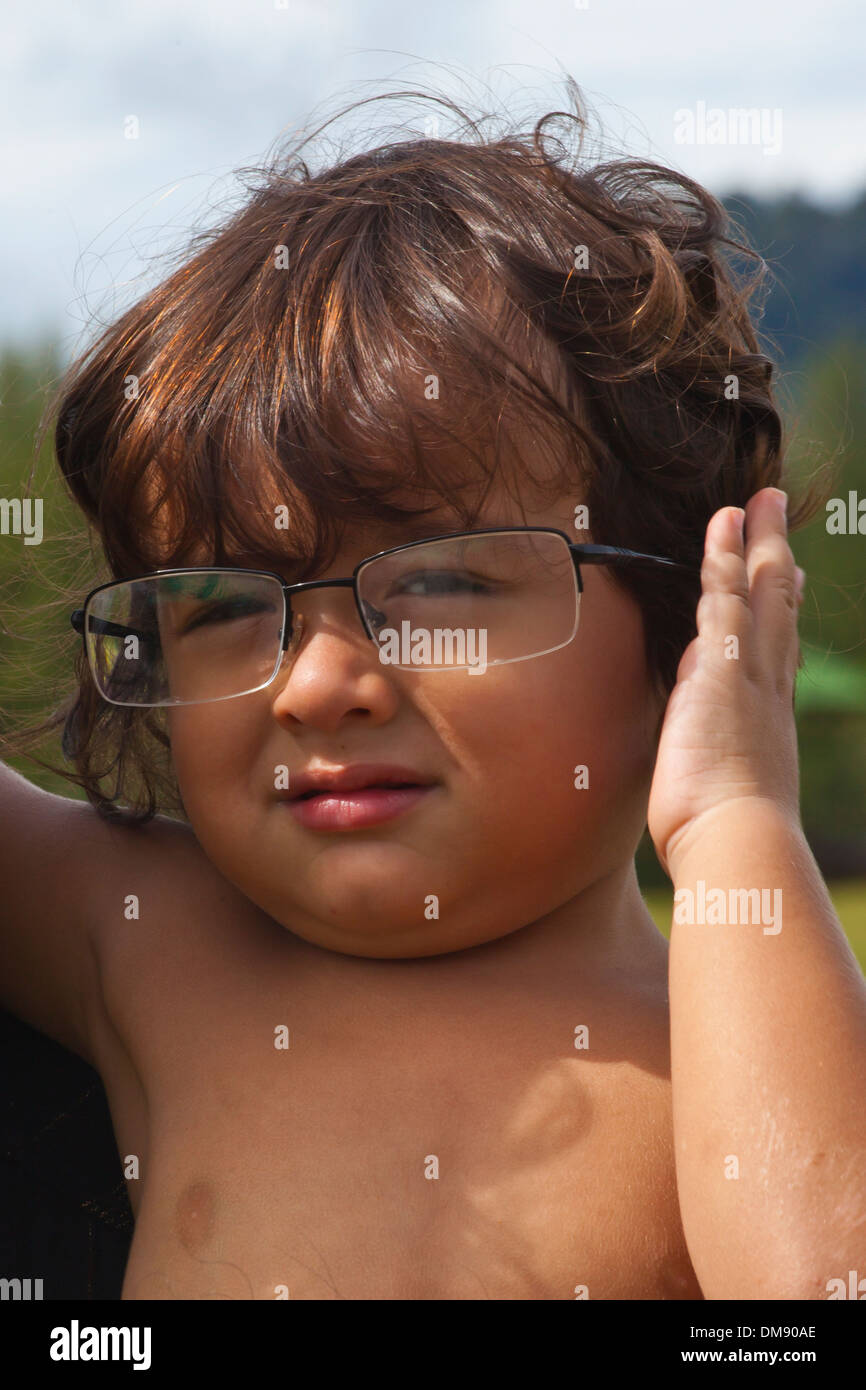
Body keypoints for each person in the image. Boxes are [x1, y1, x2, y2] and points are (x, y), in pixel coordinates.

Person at [2, 82, 864, 1301]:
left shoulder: (729, 1044)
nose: (316, 686)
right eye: (224, 606)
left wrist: (733, 816)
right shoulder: (152, 939)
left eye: (442, 583)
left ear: (684, 623)